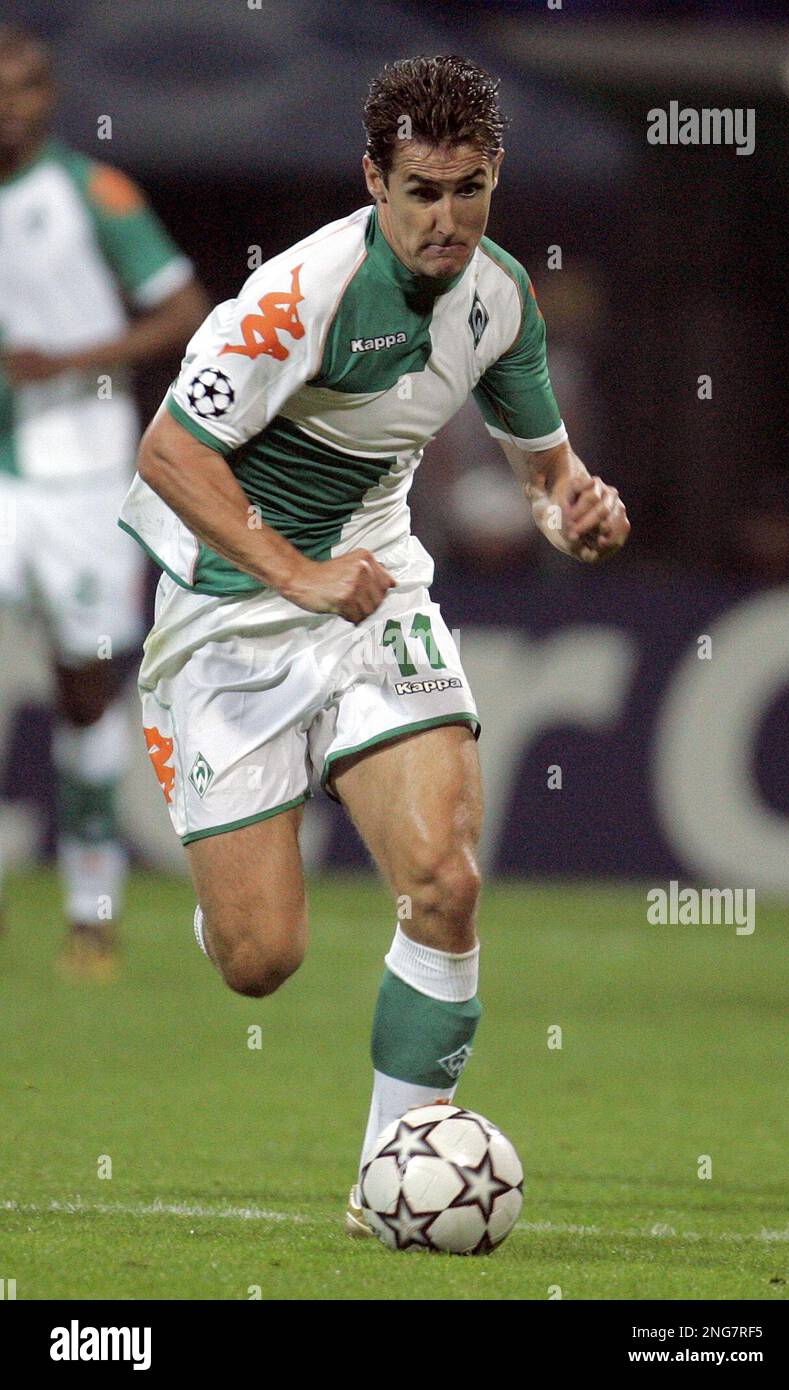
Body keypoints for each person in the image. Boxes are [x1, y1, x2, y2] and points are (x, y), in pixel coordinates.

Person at [119, 55, 629, 1234]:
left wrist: (579, 511)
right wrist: (298, 574)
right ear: (373, 180)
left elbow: (545, 473)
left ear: (494, 176)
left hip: (378, 589)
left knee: (446, 882)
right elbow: (168, 456)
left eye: (470, 188)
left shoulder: (501, 297)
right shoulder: (298, 295)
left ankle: (387, 1180)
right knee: (259, 959)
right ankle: (224, 873)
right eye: (421, 191)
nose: (447, 219)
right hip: (231, 617)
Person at [0, 26, 209, 978]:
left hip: (82, 477)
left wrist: (72, 360)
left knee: (85, 687)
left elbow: (185, 308)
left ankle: (92, 905)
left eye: (28, 86)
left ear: (49, 97)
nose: (12, 103)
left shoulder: (94, 194)